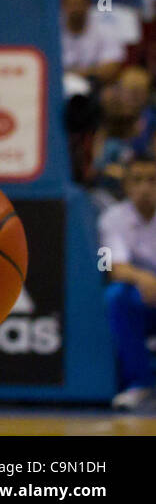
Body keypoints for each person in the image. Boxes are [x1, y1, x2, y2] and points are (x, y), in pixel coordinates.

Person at [100, 156, 156, 411]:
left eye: (152, 180)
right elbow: (114, 267)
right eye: (137, 180)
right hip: (140, 298)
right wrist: (145, 279)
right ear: (126, 186)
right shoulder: (112, 217)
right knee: (116, 296)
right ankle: (138, 383)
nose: (145, 187)